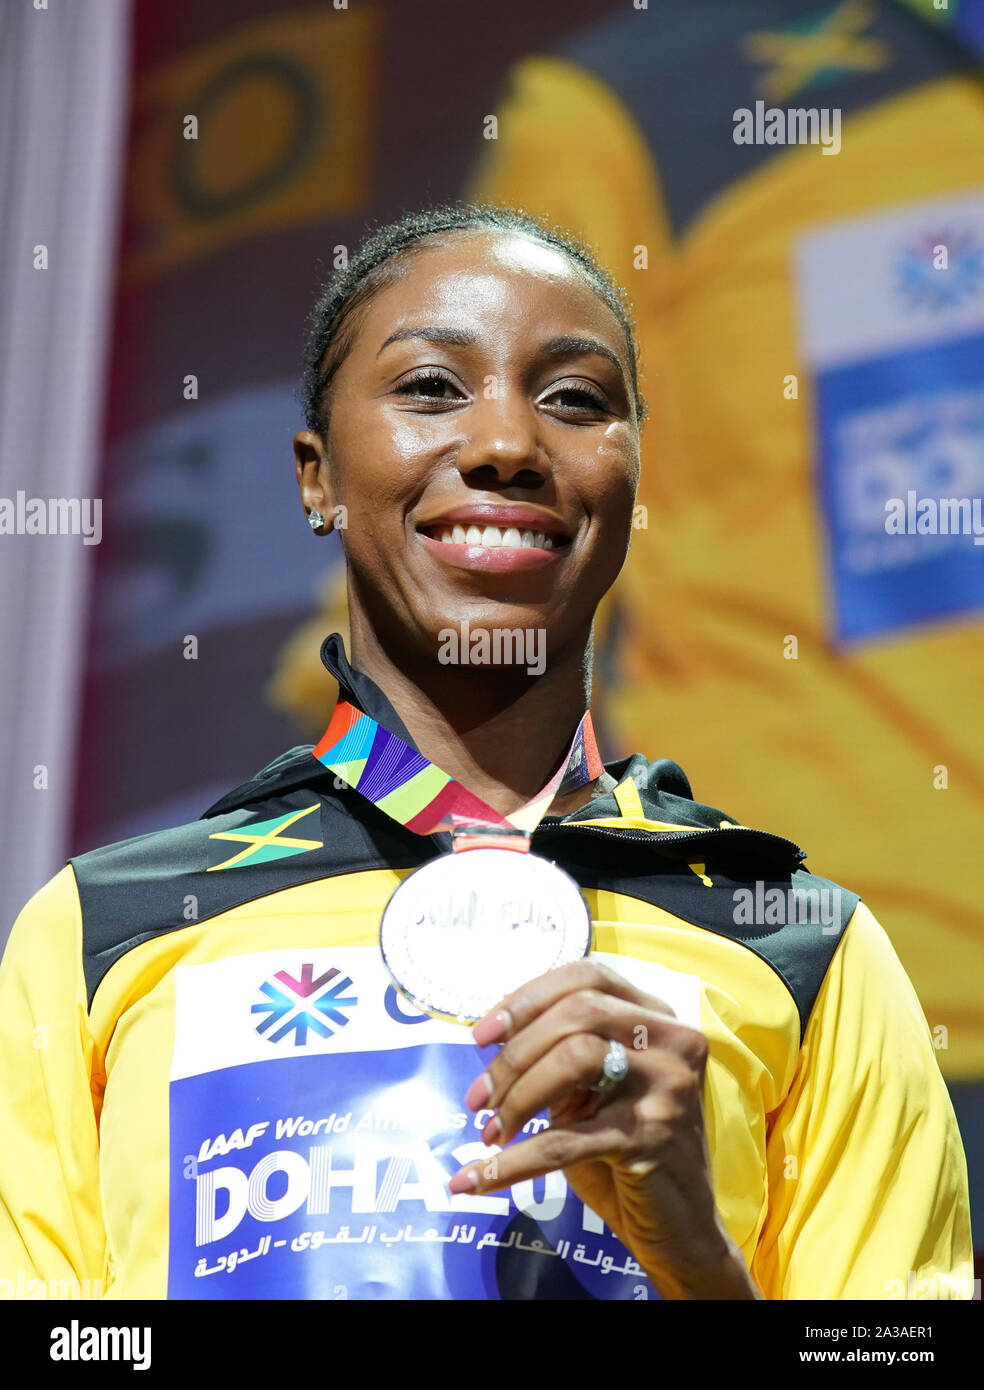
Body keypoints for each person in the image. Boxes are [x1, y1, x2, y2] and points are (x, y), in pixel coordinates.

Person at [0, 203, 972, 1302]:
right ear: (316, 477)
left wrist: (697, 1259)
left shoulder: (807, 946)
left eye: (574, 400)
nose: (509, 445)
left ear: (634, 479)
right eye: (430, 388)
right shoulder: (102, 930)